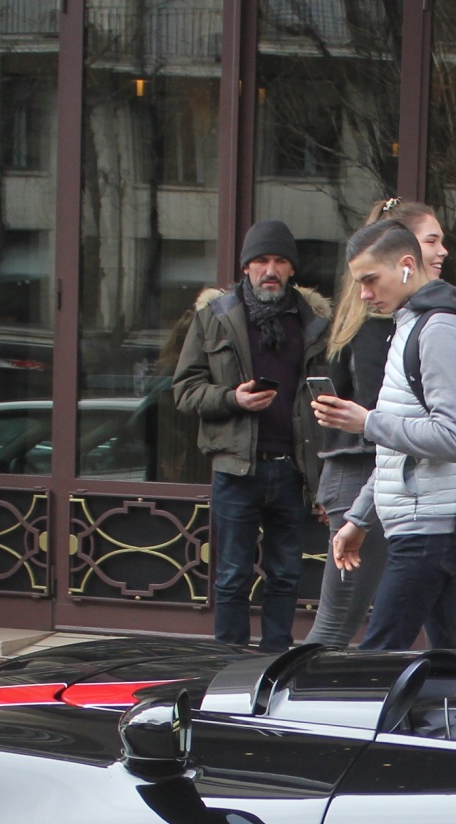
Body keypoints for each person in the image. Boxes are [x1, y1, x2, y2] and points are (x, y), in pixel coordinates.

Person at [313, 218, 456, 650]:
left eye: (370, 280)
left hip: (429, 526)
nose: (364, 294)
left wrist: (365, 422)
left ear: (407, 265)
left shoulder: (438, 327)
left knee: (376, 662)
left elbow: (451, 438)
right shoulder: (412, 323)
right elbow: (396, 451)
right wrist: (359, 517)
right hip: (428, 523)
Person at [172, 219, 329, 650]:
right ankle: (228, 664)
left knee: (286, 576)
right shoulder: (214, 318)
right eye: (261, 261)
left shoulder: (314, 323)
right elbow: (184, 392)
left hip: (292, 472)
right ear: (246, 268)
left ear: (292, 269)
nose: (270, 270)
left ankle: (275, 661)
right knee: (232, 577)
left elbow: (330, 402)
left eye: (280, 261)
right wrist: (232, 399)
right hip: (237, 469)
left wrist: (322, 482)